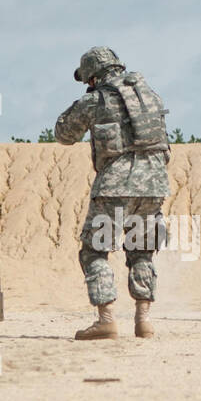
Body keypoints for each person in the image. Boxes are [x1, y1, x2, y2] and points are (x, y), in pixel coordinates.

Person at [55, 47, 170, 340]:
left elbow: (64, 134)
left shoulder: (95, 100)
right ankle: (143, 321)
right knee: (142, 251)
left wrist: (84, 103)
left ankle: (106, 320)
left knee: (95, 250)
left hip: (114, 188)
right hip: (154, 185)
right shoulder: (150, 96)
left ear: (93, 76)